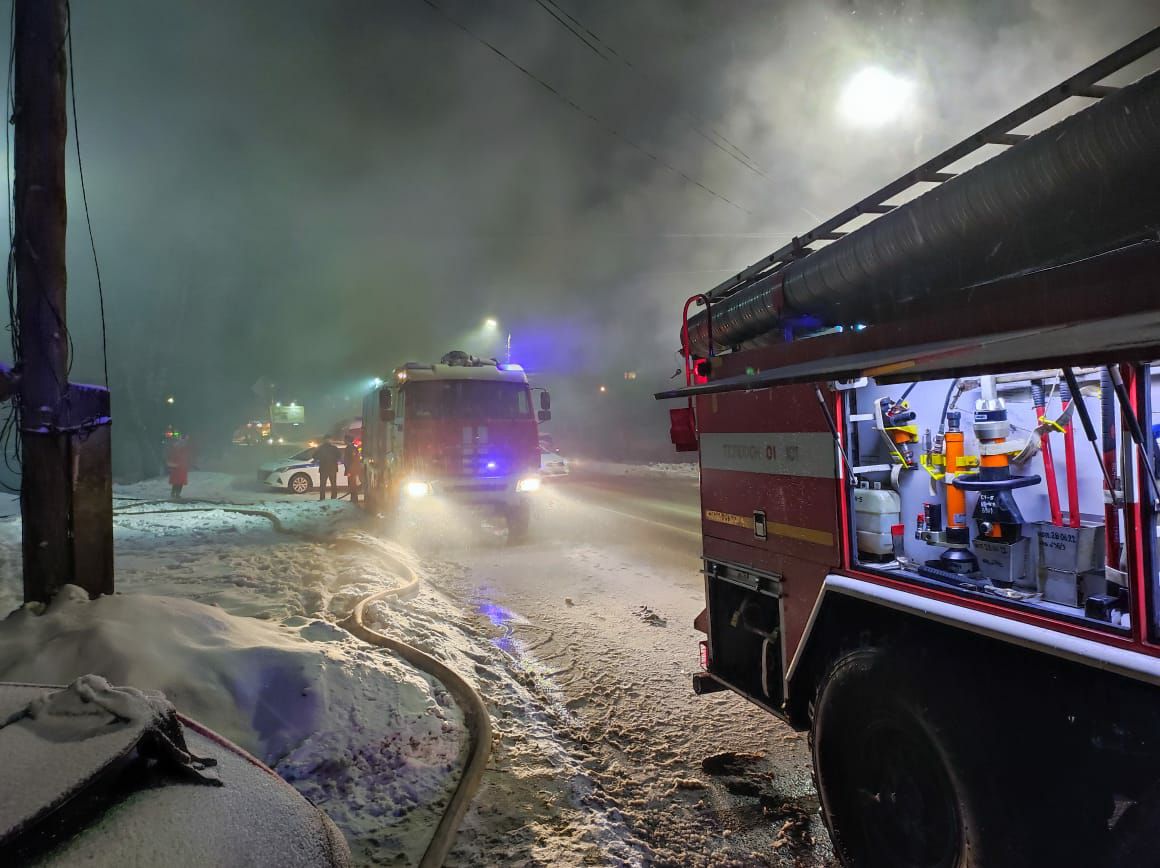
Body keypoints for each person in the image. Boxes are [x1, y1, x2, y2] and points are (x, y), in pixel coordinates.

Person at [167, 435, 190, 500]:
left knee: (178, 482)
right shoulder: (177, 449)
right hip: (178, 467)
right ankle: (175, 493)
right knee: (178, 482)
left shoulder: (178, 448)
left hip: (180, 467)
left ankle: (176, 493)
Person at [343, 435, 363, 506]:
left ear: (347, 440)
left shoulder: (350, 448)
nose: (344, 441)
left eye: (345, 439)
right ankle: (353, 499)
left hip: (351, 470)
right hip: (353, 469)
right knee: (352, 484)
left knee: (352, 484)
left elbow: (351, 460)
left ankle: (354, 499)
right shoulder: (352, 448)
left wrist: (349, 471)